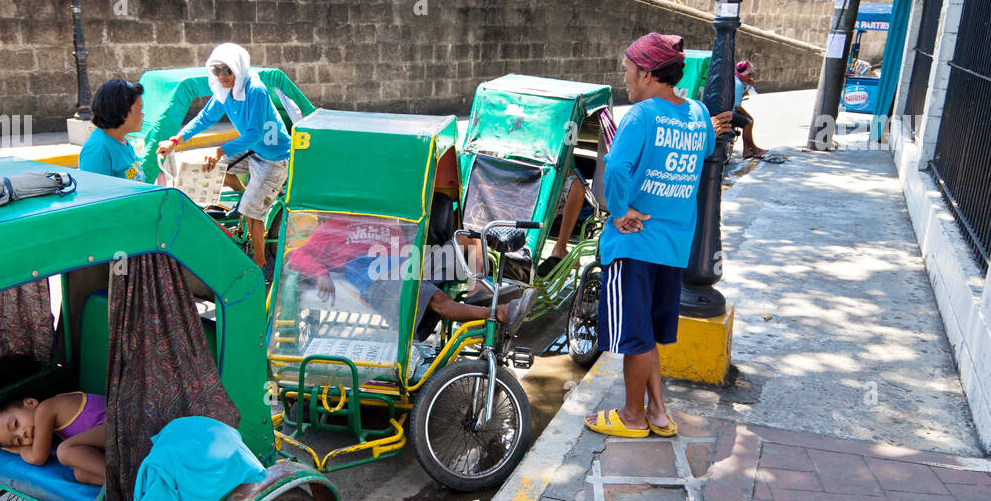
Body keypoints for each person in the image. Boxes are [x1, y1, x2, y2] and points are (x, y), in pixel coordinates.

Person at [585, 33, 733, 438]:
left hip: (634, 241)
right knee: (647, 330)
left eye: (629, 71)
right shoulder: (698, 113)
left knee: (633, 336)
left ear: (648, 73)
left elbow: (615, 168)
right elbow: (704, 150)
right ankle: (658, 412)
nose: (626, 79)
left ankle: (633, 416)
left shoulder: (641, 115)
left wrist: (620, 211)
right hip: (673, 247)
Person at [286, 213, 538, 340]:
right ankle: (498, 313)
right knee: (437, 298)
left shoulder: (388, 218)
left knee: (469, 240)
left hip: (406, 260)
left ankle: (478, 292)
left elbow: (406, 246)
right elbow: (295, 256)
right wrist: (320, 272)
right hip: (372, 272)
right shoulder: (333, 226)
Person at [157, 44, 290, 266]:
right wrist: (176, 140)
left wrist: (220, 151)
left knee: (251, 210)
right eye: (216, 70)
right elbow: (204, 119)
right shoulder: (224, 91)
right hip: (253, 150)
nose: (222, 76)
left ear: (238, 68)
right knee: (217, 171)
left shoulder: (255, 90)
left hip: (273, 157)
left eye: (227, 70)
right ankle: (251, 198)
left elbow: (255, 133)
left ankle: (258, 261)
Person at [0, 392, 106, 485]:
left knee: (65, 451)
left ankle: (120, 478)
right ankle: (118, 482)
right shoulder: (50, 425)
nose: (23, 434)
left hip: (118, 424)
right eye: (18, 441)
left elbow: (37, 457)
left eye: (16, 424)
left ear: (30, 403)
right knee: (81, 474)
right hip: (106, 438)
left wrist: (21, 450)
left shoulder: (45, 408)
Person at [78, 78, 146, 181]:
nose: (143, 115)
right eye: (140, 109)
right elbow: (98, 194)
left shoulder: (121, 140)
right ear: (122, 112)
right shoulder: (97, 150)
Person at [733, 59, 767, 160]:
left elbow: (738, 97)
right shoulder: (738, 85)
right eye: (750, 74)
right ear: (745, 74)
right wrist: (749, 116)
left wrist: (748, 87)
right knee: (748, 122)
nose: (751, 77)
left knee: (747, 121)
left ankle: (746, 150)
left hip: (730, 110)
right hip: (731, 112)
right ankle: (754, 148)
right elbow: (737, 107)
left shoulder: (736, 80)